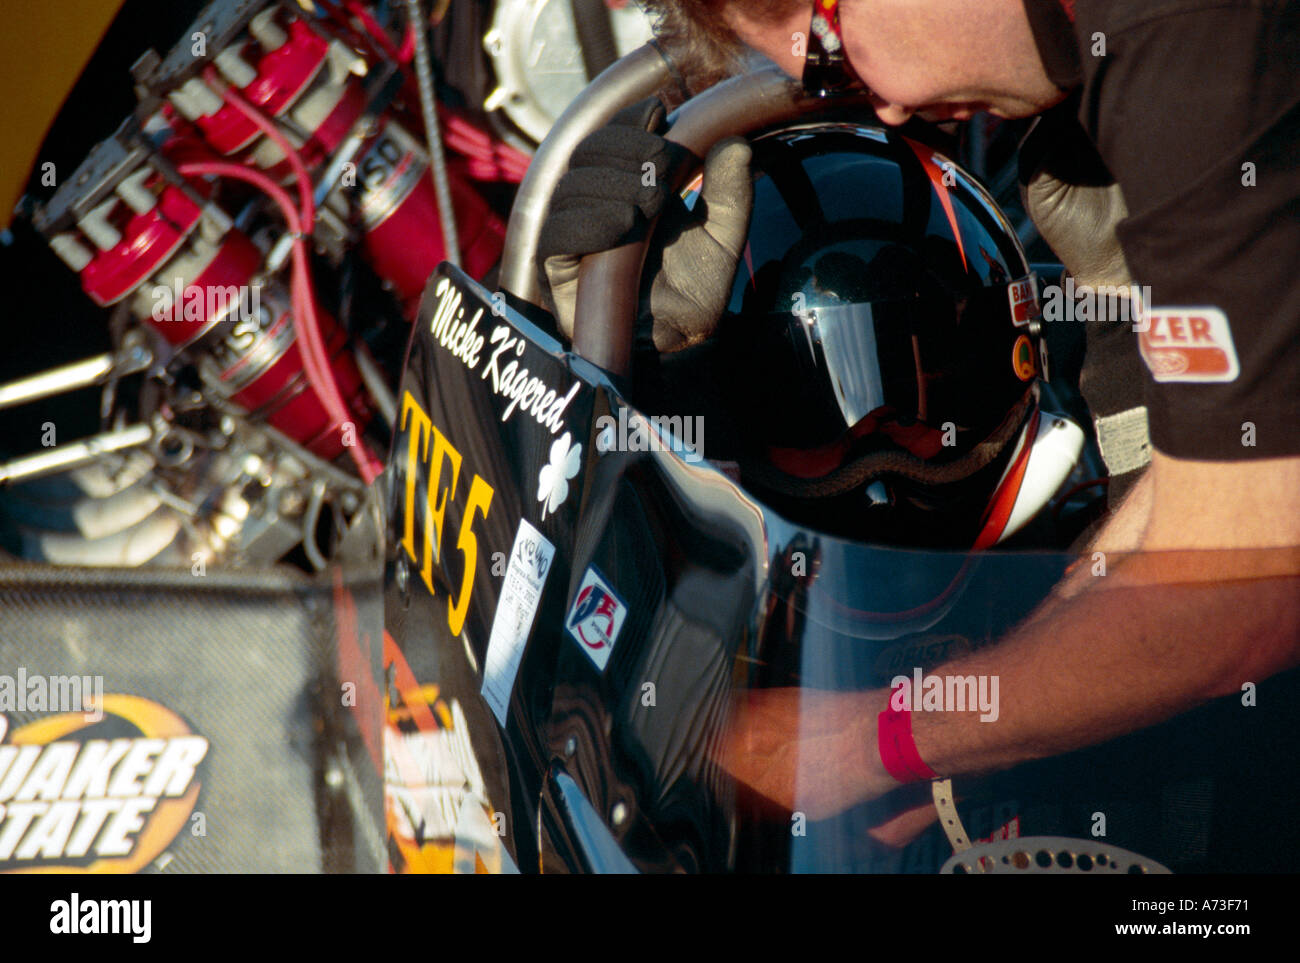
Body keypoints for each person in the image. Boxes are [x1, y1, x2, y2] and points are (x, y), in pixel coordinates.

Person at [538, 0, 1300, 856]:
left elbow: (1239, 592)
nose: (892, 103)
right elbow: (1220, 522)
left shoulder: (1176, 34)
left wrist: (871, 746)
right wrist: (640, 393)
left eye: (833, 48)